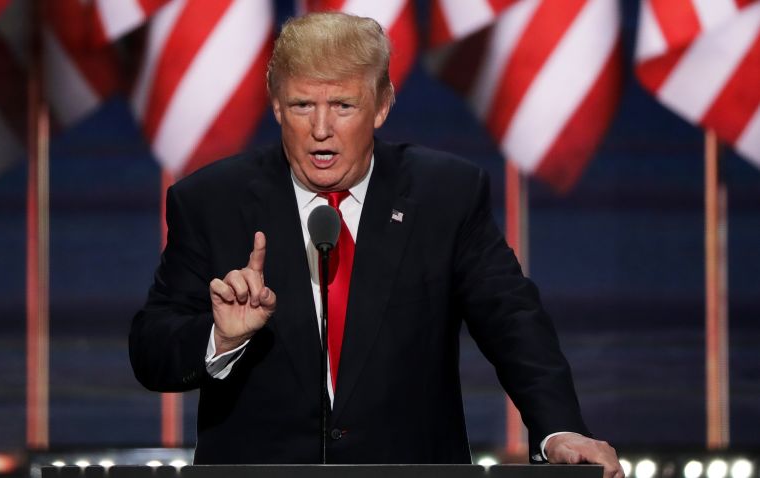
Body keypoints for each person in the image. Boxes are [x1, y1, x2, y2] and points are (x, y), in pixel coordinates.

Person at [130, 11, 623, 477]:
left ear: (382, 105)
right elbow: (152, 350)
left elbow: (513, 321)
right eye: (302, 105)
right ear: (276, 104)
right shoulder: (210, 201)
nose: (320, 129)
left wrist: (560, 429)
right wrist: (221, 340)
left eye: (343, 105)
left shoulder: (444, 196)